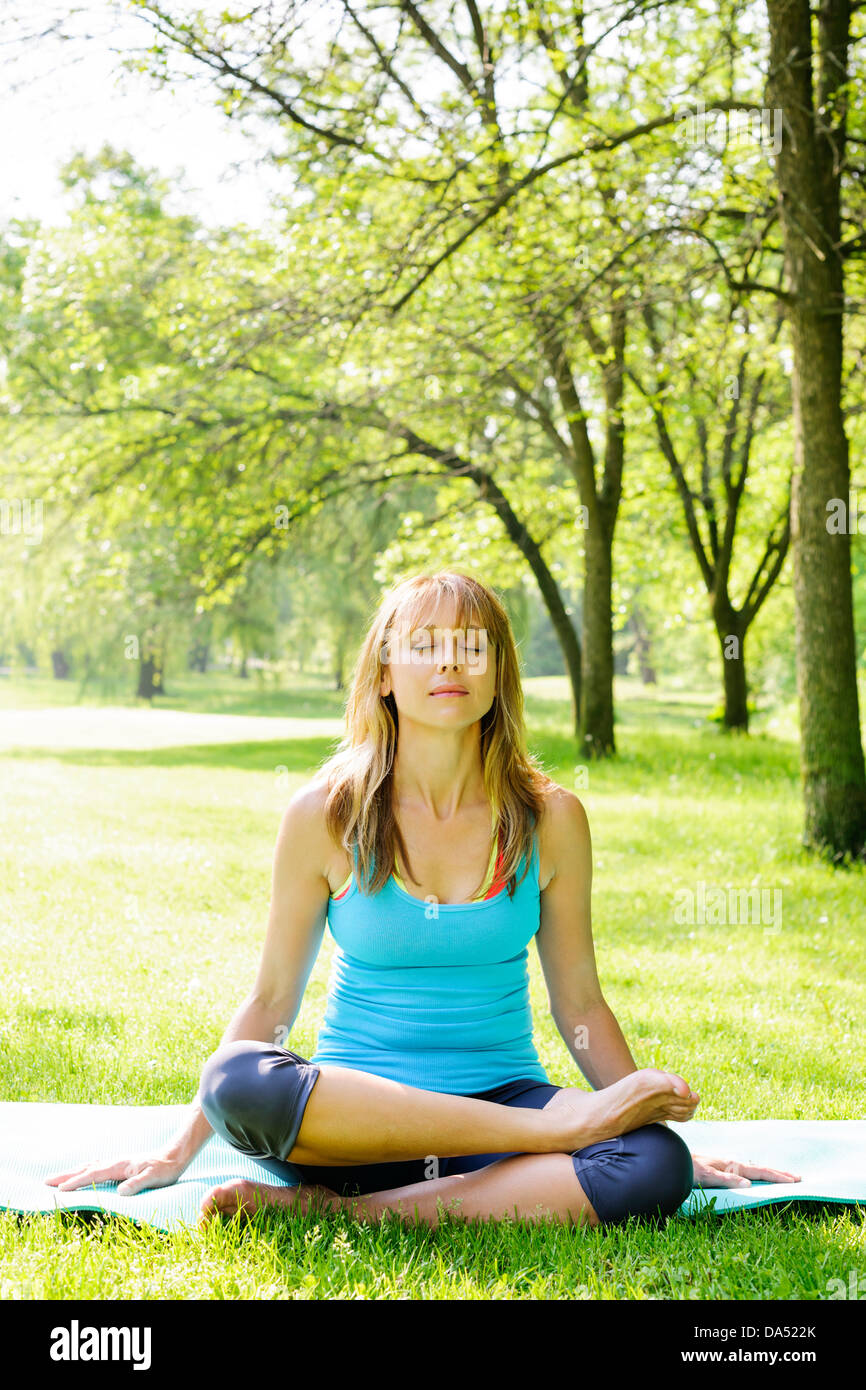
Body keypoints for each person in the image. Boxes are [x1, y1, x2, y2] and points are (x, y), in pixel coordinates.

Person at [46, 569, 800, 1230]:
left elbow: (582, 1006)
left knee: (652, 1166)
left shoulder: (552, 819)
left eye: (474, 646)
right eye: (425, 644)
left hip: (501, 1126)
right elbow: (271, 1002)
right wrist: (181, 1149)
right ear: (383, 672)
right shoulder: (325, 815)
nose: (450, 661)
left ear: (499, 671)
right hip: (348, 1130)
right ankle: (542, 1145)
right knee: (236, 1080)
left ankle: (348, 1217)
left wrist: (632, 1118)